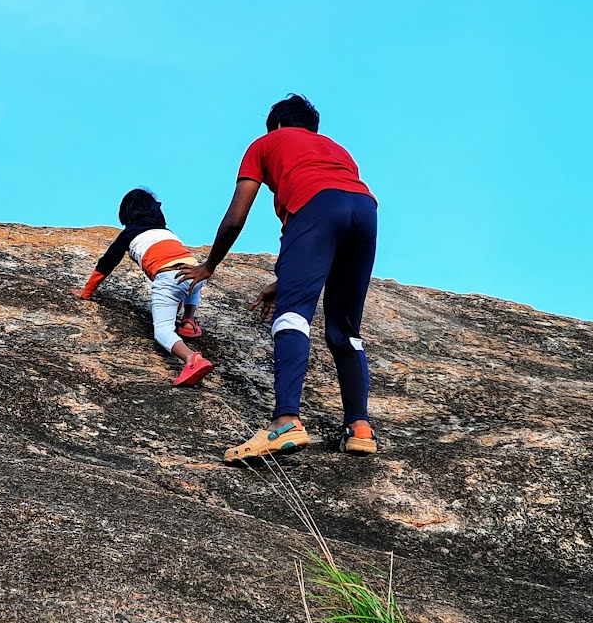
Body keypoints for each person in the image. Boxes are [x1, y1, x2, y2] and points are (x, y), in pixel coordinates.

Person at [181, 94, 377, 460]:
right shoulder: (337, 150)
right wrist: (284, 280)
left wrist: (210, 265)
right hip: (365, 209)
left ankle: (285, 421)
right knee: (345, 329)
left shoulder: (265, 143)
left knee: (292, 316)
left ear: (278, 125)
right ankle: (360, 428)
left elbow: (237, 215)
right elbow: (333, 235)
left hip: (316, 205)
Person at [78, 188, 215, 388]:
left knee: (162, 332)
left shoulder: (128, 235)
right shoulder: (167, 233)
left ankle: (192, 359)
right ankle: (188, 320)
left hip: (167, 277)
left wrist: (86, 292)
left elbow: (106, 263)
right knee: (193, 281)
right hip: (195, 271)